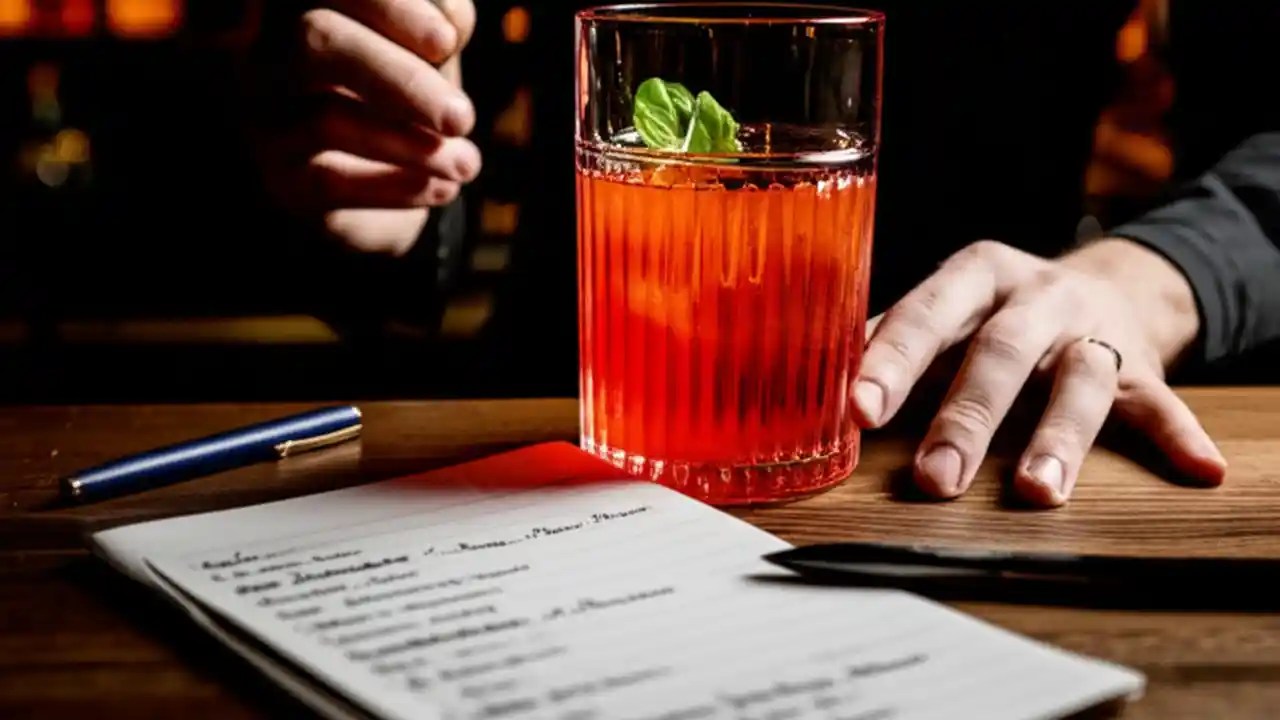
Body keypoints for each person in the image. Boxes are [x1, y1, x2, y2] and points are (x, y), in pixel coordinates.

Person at [244, 1, 1280, 509]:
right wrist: (376, 166)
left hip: (950, 456)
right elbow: (429, 143)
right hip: (557, 452)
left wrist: (1155, 276)